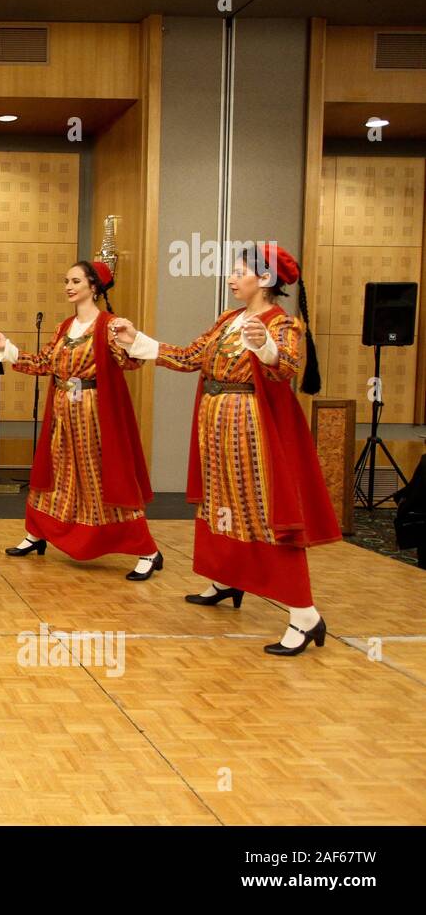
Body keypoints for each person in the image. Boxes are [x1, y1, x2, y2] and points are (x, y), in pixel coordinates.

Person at [110, 243, 340, 655]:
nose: (231, 278)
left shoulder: (281, 323)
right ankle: (227, 578)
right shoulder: (228, 319)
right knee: (222, 503)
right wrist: (137, 341)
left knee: (263, 513)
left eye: (239, 272)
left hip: (251, 428)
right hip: (217, 425)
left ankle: (304, 614)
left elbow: (284, 368)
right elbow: (188, 357)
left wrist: (264, 346)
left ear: (265, 279)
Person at [0, 261, 161, 580]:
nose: (69, 286)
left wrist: (130, 338)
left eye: (76, 281)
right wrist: (7, 349)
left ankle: (147, 549)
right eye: (66, 280)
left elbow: (131, 362)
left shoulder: (109, 325)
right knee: (57, 473)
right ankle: (37, 533)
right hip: (63, 411)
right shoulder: (64, 326)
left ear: (94, 287)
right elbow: (44, 363)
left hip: (93, 413)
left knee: (100, 478)